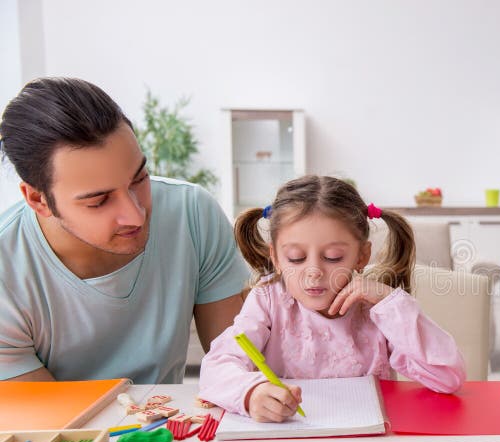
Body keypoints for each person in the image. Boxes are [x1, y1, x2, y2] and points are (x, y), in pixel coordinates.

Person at [0, 77, 249, 383]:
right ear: (38, 199)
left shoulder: (192, 213)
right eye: (100, 200)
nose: (136, 214)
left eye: (139, 178)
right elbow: (49, 423)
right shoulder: (6, 269)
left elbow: (238, 367)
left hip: (171, 428)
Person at [199, 175, 466, 421]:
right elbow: (215, 369)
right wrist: (250, 394)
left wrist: (390, 302)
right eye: (296, 258)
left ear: (362, 256)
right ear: (276, 258)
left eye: (333, 257)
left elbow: (448, 377)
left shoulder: (377, 308)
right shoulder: (269, 301)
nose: (314, 273)